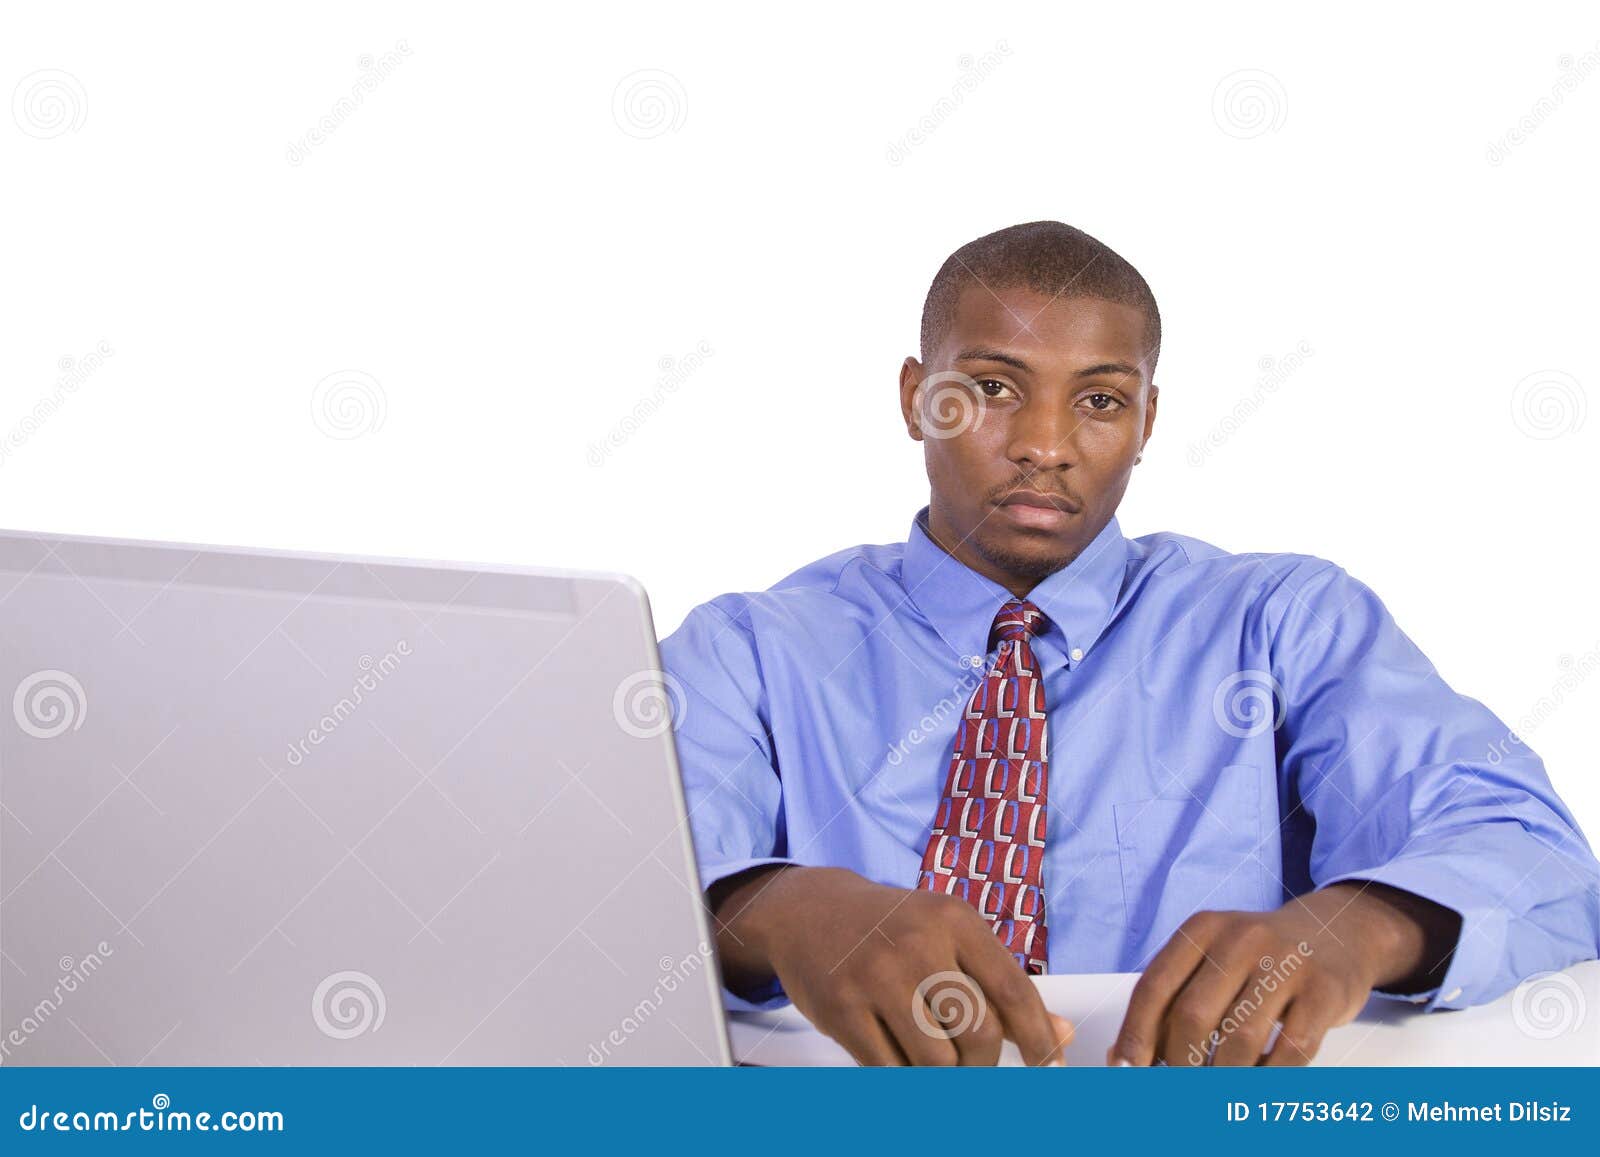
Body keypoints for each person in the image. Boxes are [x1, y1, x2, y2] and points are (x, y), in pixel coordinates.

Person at [657, 220, 1600, 1066]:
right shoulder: (752, 648)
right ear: (916, 399)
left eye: (1101, 401)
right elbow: (596, 893)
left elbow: (1533, 853)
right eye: (992, 387)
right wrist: (779, 907)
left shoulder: (1281, 622)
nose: (1045, 443)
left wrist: (1352, 928)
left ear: (1148, 421)